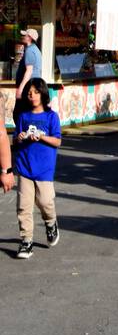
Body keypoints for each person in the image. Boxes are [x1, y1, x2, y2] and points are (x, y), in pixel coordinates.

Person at [12, 78, 61, 259]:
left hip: (44, 169)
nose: (31, 95)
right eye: (29, 92)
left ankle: (50, 222)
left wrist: (41, 137)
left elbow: (57, 141)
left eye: (35, 92)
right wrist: (20, 137)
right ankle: (26, 241)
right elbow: (15, 139)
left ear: (43, 93)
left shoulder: (51, 117)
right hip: (24, 166)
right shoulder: (24, 116)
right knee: (23, 207)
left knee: (45, 202)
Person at [14, 26, 42, 126]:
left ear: (29, 37)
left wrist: (21, 88)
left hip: (28, 87)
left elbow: (29, 71)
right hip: (33, 86)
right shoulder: (36, 50)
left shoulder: (30, 51)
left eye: (25, 35)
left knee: (19, 113)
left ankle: (22, 135)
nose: (23, 36)